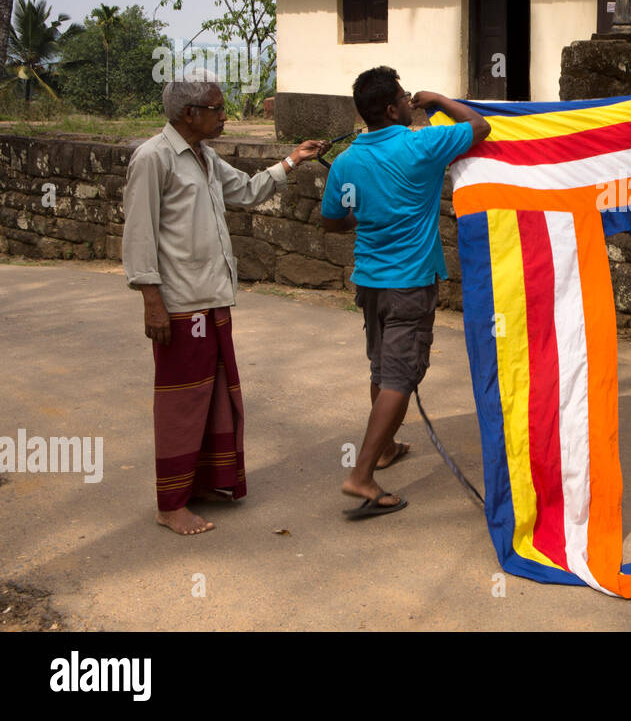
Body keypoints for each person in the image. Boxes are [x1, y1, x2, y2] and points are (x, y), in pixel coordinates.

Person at [122, 79, 326, 536]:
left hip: (212, 297)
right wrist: (151, 302)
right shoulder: (154, 158)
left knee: (215, 395)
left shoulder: (205, 158)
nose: (224, 116)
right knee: (182, 403)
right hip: (180, 303)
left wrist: (292, 159)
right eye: (216, 109)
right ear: (188, 114)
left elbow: (249, 190)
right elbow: (138, 234)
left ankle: (202, 483)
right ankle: (170, 503)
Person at [321, 67, 490, 519]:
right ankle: (361, 475)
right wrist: (439, 99)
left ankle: (386, 447)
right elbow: (479, 126)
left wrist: (364, 216)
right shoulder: (419, 145)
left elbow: (333, 221)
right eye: (403, 97)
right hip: (411, 282)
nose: (408, 102)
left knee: (382, 366)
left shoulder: (346, 163)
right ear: (394, 108)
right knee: (401, 376)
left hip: (370, 281)